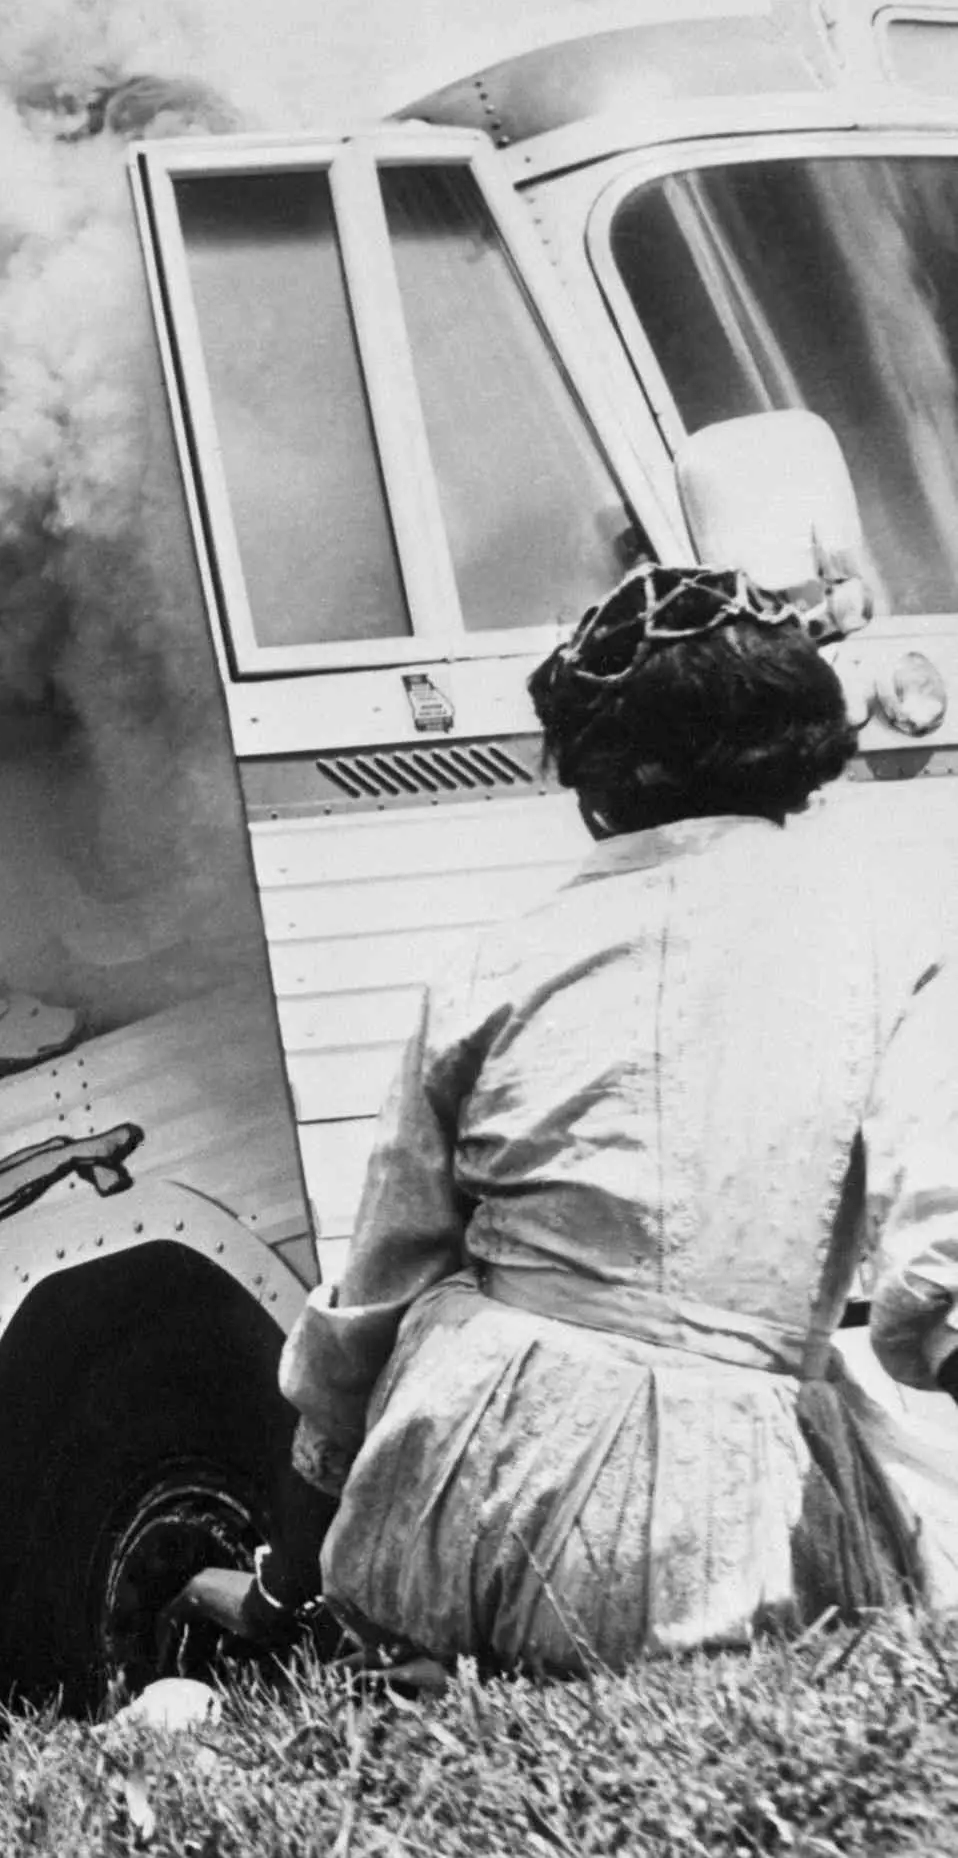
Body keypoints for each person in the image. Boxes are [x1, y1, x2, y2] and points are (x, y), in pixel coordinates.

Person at [176, 561, 958, 1675]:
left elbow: (364, 1323)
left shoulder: (486, 967)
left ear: (592, 780)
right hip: (728, 1549)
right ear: (803, 744)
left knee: (454, 1287)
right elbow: (940, 1279)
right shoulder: (898, 937)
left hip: (474, 1516)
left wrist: (279, 1594)